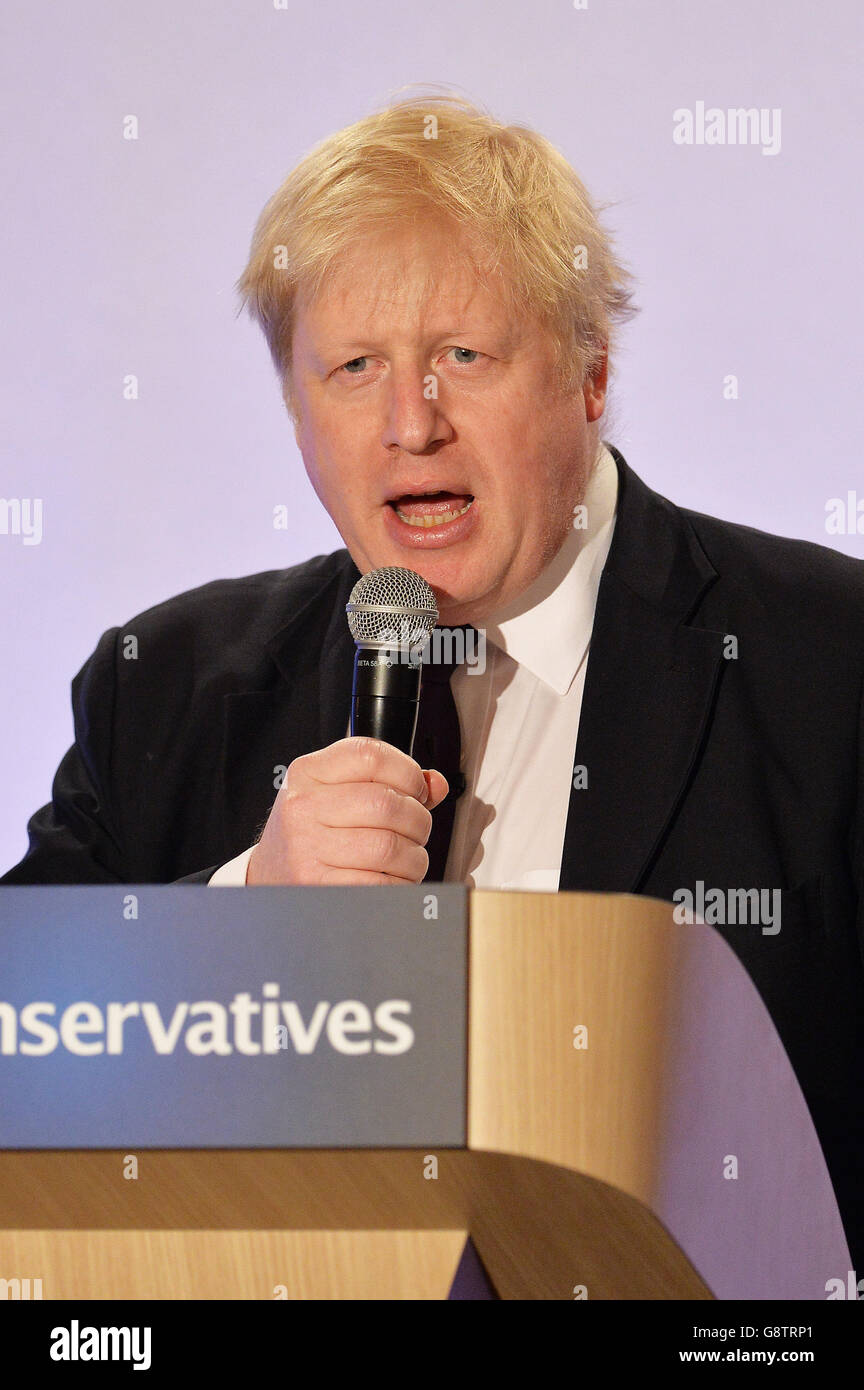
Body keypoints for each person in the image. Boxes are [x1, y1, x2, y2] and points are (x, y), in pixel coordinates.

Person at [2, 94, 863, 1271]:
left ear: (592, 372)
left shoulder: (830, 661)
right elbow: (24, 1057)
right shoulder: (168, 687)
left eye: (465, 354)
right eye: (355, 367)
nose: (413, 423)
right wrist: (250, 910)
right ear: (298, 408)